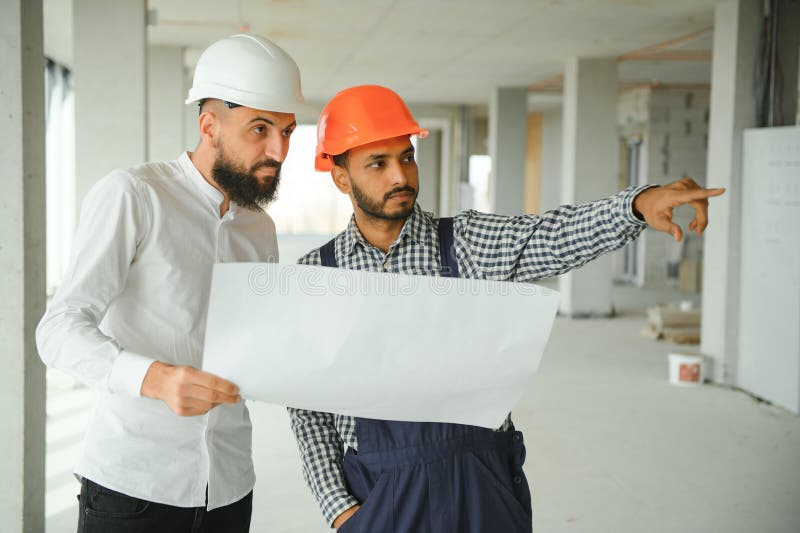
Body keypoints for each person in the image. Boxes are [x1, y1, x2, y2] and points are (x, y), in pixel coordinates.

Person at [288, 85, 725, 532]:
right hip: (380, 494)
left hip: (480, 483)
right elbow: (307, 406)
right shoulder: (317, 277)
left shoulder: (464, 243)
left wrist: (634, 206)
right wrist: (338, 508)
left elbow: (552, 236)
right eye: (377, 164)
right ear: (341, 177)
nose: (400, 175)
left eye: (406, 156)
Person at [36, 34, 313, 533]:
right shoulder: (134, 196)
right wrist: (155, 378)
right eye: (260, 129)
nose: (279, 150)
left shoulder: (260, 228)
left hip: (229, 489)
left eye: (288, 132)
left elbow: (260, 344)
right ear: (209, 125)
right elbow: (57, 330)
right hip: (133, 490)